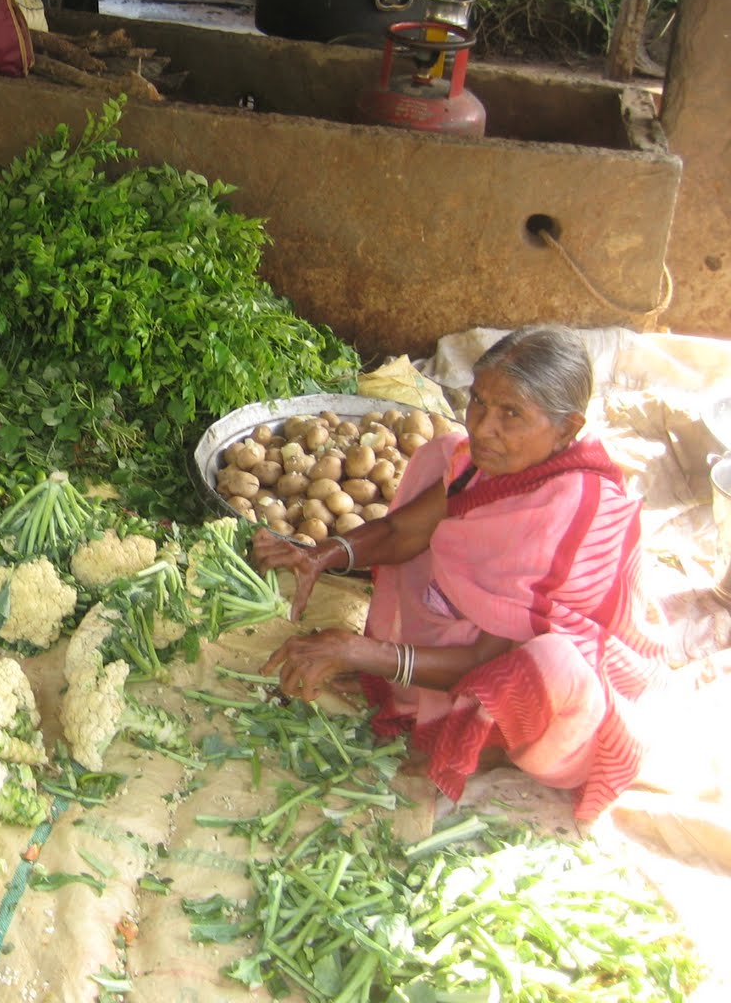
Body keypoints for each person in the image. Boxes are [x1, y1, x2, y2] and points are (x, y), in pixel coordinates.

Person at [253, 325, 670, 822]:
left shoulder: (568, 512)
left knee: (548, 665)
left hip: (574, 693)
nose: (483, 427)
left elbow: (483, 660)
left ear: (567, 428)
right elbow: (403, 532)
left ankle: (485, 741)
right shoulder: (488, 465)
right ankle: (419, 692)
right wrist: (323, 554)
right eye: (479, 402)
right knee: (439, 460)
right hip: (482, 634)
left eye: (511, 413)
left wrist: (357, 650)